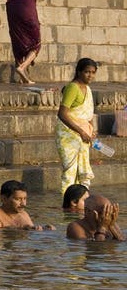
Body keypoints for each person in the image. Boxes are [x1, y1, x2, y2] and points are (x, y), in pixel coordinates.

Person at [3, 0, 50, 85]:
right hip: (27, 6)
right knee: (36, 43)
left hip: (12, 7)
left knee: (17, 40)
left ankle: (24, 78)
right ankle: (22, 67)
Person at [56, 57, 97, 194]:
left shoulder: (88, 89)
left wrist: (91, 130)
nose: (90, 75)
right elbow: (62, 114)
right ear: (79, 72)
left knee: (82, 172)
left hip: (83, 135)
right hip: (69, 135)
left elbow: (88, 114)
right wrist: (81, 131)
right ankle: (67, 204)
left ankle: (80, 202)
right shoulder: (73, 88)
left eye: (92, 72)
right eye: (87, 72)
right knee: (70, 171)